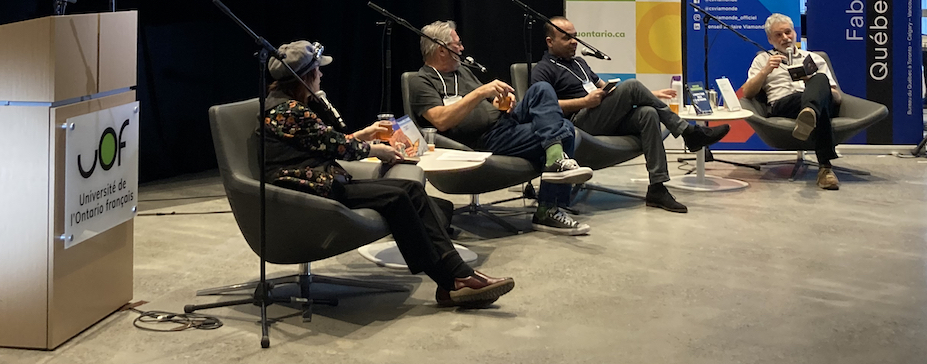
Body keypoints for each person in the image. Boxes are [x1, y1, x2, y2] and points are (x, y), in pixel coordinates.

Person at [262, 40, 514, 308]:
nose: (321, 75)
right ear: (304, 77)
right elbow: (337, 146)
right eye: (317, 70)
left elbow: (322, 141)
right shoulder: (290, 111)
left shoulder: (282, 105)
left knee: (409, 190)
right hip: (307, 189)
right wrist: (376, 149)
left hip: (317, 181)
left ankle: (454, 278)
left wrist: (366, 134)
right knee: (399, 197)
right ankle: (454, 278)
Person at [406, 21, 594, 236]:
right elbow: (441, 120)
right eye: (458, 44)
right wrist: (480, 93)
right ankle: (547, 208)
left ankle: (554, 161)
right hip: (480, 141)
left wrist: (502, 102)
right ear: (442, 49)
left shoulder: (463, 72)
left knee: (542, 89)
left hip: (504, 126)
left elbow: (487, 105)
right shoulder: (422, 81)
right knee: (565, 128)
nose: (462, 48)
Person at [530, 17, 729, 213]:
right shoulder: (544, 69)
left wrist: (651, 95)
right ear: (550, 41)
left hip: (600, 117)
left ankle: (657, 188)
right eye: (567, 38)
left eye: (575, 37)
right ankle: (688, 132)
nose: (574, 42)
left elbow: (607, 90)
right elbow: (542, 106)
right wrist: (584, 102)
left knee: (648, 112)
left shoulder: (580, 63)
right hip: (577, 125)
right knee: (632, 85)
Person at [740, 13, 844, 190]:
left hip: (813, 100)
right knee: (819, 109)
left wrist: (811, 82)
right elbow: (747, 93)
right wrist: (765, 71)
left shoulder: (813, 59)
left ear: (795, 33)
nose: (785, 38)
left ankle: (809, 112)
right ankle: (825, 168)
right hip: (783, 104)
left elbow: (837, 97)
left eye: (788, 32)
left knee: (819, 81)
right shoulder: (762, 59)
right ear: (770, 39)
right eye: (778, 35)